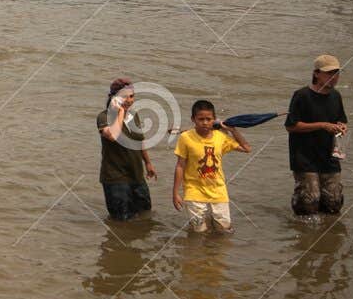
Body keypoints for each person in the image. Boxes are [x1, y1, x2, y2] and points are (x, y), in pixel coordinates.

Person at [172, 100, 249, 234]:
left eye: (208, 119)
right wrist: (175, 193)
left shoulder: (221, 137)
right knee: (198, 231)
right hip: (194, 190)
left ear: (214, 119)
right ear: (193, 119)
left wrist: (232, 130)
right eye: (200, 119)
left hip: (218, 190)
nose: (205, 122)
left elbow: (246, 148)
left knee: (224, 230)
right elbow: (180, 165)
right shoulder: (185, 138)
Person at [286, 54, 348, 216]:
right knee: (308, 202)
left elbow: (341, 120)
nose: (334, 78)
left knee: (334, 202)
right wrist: (322, 125)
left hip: (330, 156)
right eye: (329, 73)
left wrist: (342, 126)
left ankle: (328, 234)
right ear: (316, 73)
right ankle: (304, 234)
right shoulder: (302, 95)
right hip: (305, 157)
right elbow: (291, 126)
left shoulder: (336, 96)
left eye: (336, 74)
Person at [98, 79, 158, 220]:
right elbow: (113, 135)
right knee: (121, 221)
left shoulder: (133, 115)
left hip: (136, 175)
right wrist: (120, 111)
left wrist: (148, 163)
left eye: (131, 96)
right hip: (115, 178)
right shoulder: (104, 117)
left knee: (145, 214)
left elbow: (139, 141)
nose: (129, 100)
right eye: (124, 96)